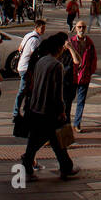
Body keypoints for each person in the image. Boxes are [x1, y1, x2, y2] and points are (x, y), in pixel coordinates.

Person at [19, 35, 78, 181]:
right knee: (56, 138)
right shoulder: (56, 65)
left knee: (44, 138)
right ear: (58, 48)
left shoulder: (41, 61)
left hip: (36, 105)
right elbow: (57, 91)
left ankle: (65, 166)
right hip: (49, 108)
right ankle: (64, 166)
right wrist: (62, 110)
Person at [14, 19, 46, 120]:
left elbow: (20, 48)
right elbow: (34, 55)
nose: (43, 30)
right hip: (27, 68)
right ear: (37, 27)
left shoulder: (28, 35)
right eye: (42, 28)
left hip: (22, 66)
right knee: (23, 90)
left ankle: (26, 111)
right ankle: (16, 113)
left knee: (29, 91)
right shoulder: (35, 40)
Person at [69, 22, 98, 132]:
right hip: (72, 75)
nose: (81, 29)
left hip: (84, 75)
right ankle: (66, 122)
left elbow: (93, 58)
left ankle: (77, 123)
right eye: (79, 27)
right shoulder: (71, 42)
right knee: (68, 100)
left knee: (81, 101)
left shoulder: (89, 42)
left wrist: (90, 71)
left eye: (83, 27)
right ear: (75, 29)